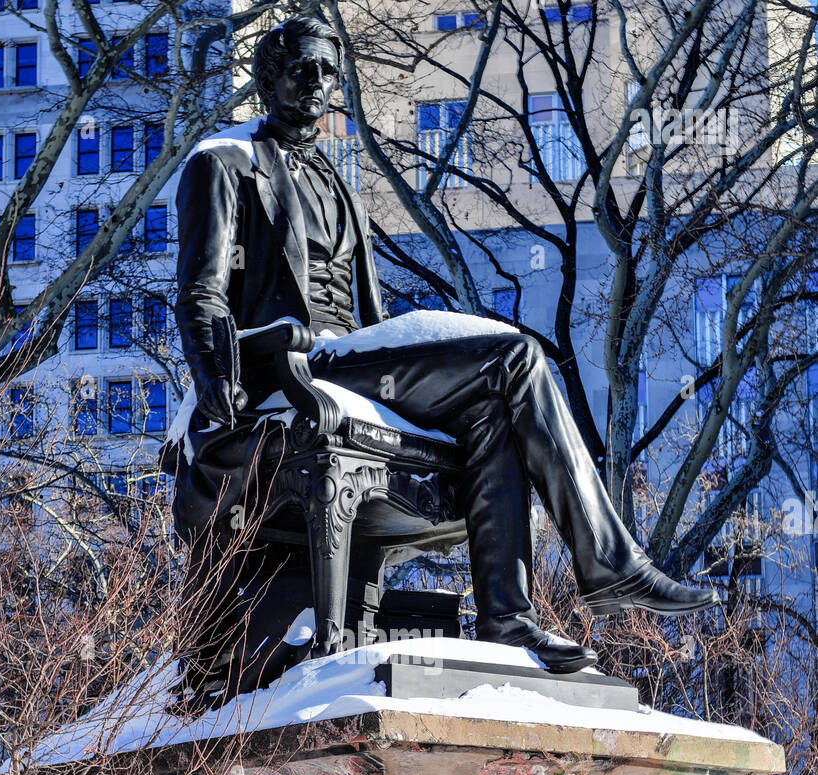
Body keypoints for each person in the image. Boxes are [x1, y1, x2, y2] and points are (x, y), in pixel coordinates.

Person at [172, 16, 715, 702]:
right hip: (297, 368)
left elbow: (368, 312)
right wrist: (219, 389)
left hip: (357, 358)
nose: (318, 84)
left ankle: (508, 620)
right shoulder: (223, 162)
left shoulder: (338, 184)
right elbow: (200, 292)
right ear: (266, 73)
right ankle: (609, 561)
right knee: (516, 357)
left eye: (329, 73)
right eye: (303, 68)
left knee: (492, 409)